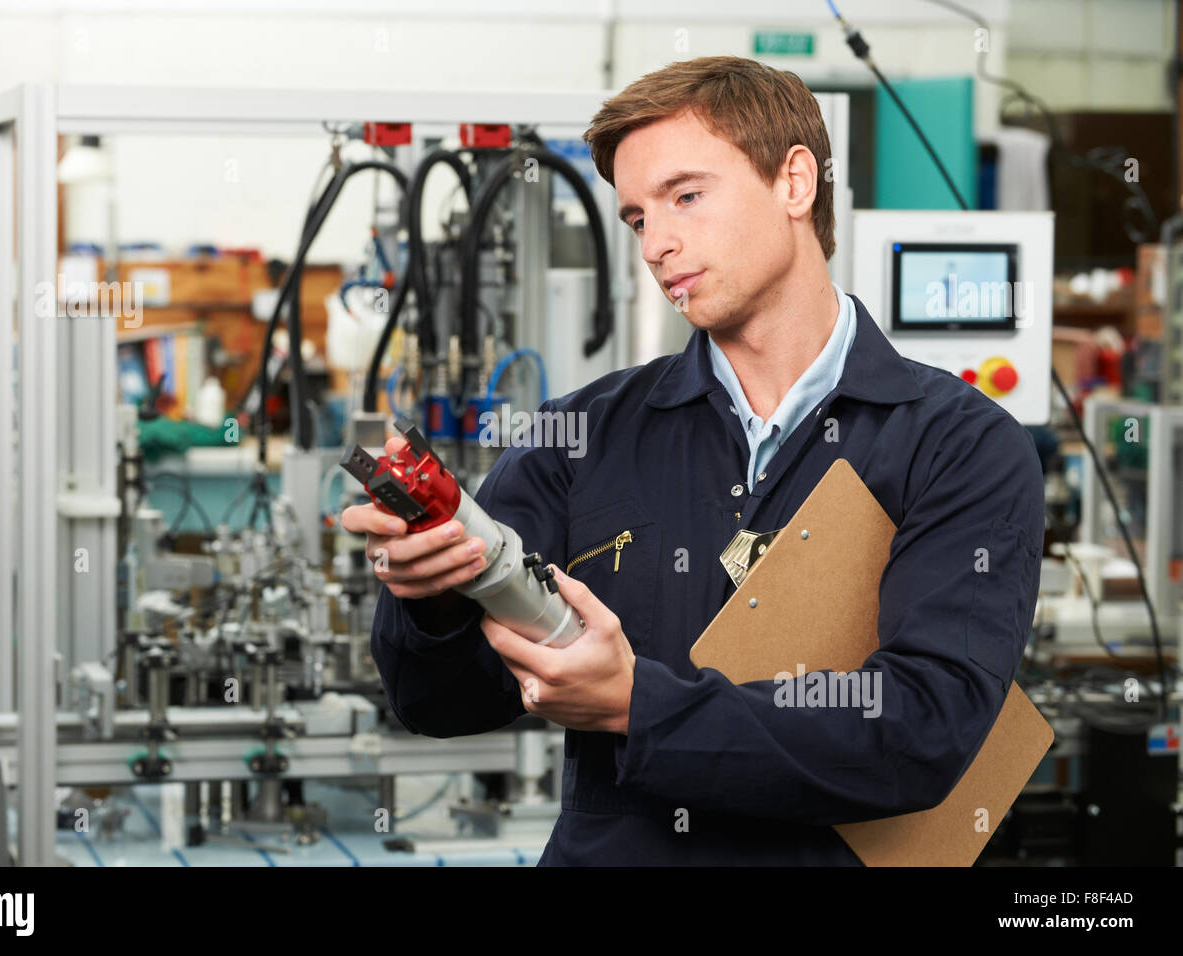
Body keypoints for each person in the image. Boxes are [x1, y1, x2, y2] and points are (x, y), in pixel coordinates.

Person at [341, 55, 1044, 865]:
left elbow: (923, 731)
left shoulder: (959, 444)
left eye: (686, 196)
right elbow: (442, 704)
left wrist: (639, 704)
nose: (657, 244)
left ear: (795, 183)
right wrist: (429, 598)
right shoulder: (578, 435)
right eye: (638, 218)